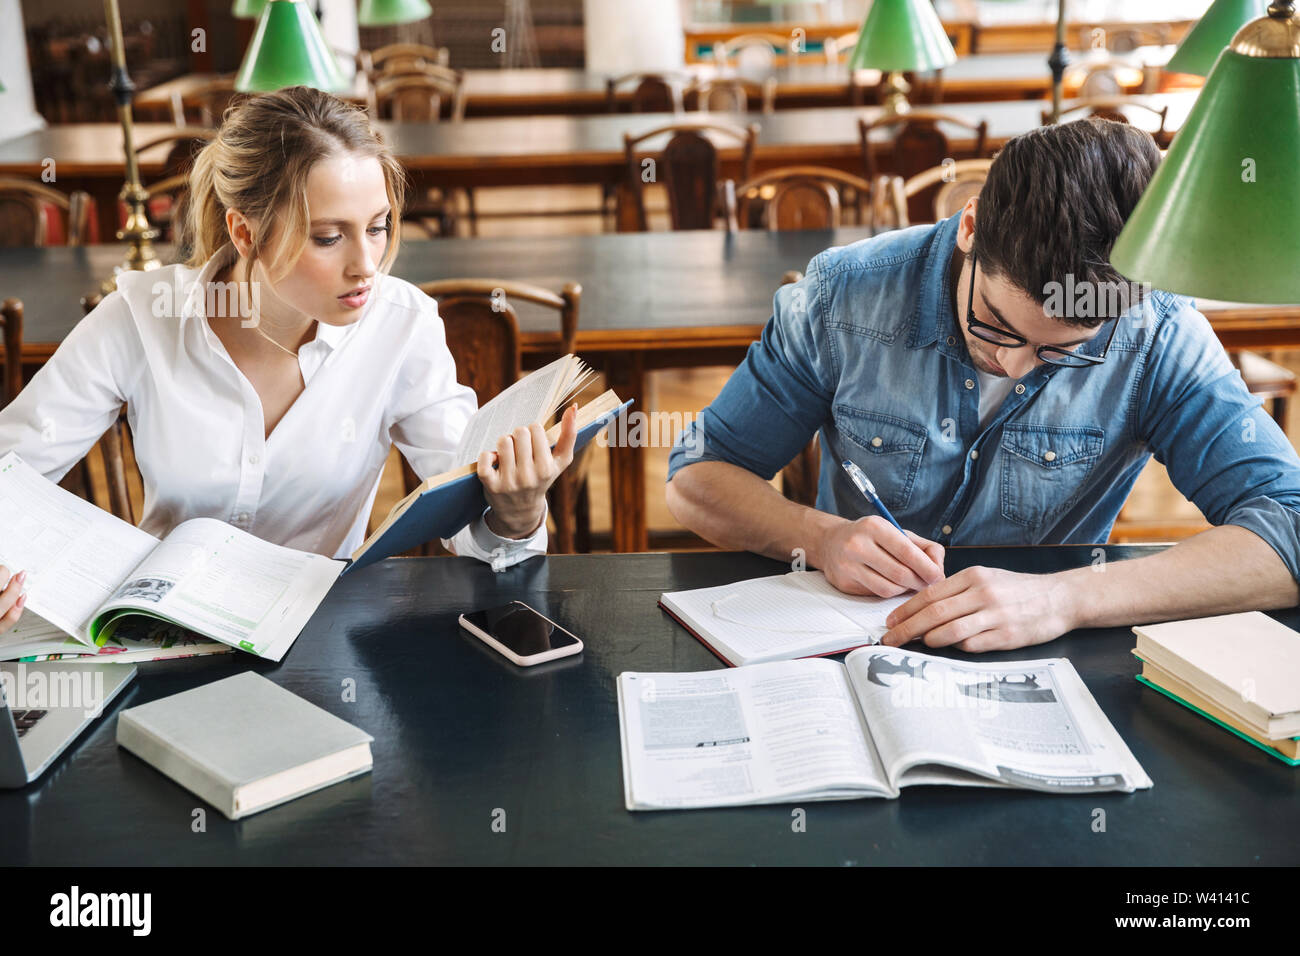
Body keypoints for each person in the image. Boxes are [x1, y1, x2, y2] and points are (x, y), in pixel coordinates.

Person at [666, 118, 1300, 653]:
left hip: (1049, 655)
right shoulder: (843, 297)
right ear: (970, 226)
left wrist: (1066, 597)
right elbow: (696, 479)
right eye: (996, 325)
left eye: (1064, 351)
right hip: (853, 643)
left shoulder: (1157, 330)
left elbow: (1289, 527)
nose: (1018, 367)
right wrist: (822, 538)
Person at [0, 86, 578, 635]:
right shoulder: (142, 316)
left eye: (377, 228)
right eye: (328, 238)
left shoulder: (402, 325)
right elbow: (10, 471)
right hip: (160, 631)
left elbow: (474, 526)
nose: (366, 265)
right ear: (244, 233)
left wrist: (517, 512)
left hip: (321, 638)